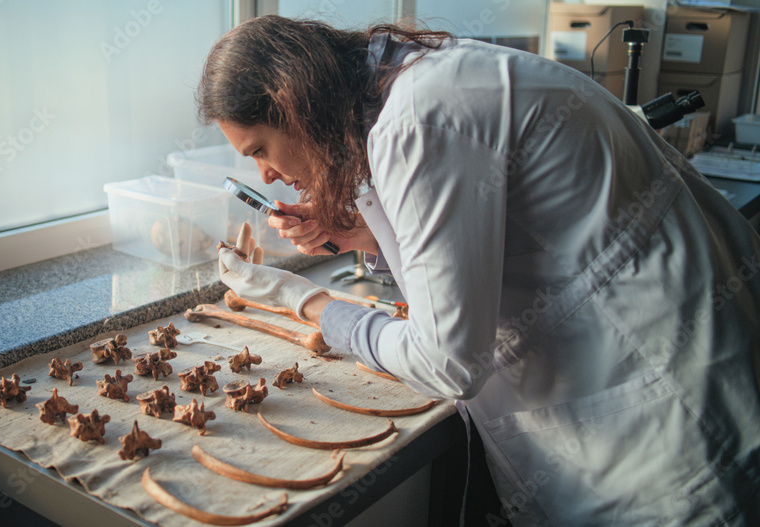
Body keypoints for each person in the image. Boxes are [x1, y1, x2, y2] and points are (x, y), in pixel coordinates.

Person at [197, 15, 760, 526]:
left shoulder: (416, 121)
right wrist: (360, 236)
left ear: (291, 105)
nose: (266, 175)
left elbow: (446, 362)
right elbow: (492, 237)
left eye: (259, 149)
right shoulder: (417, 85)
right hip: (645, 364)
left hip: (660, 409)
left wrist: (308, 303)